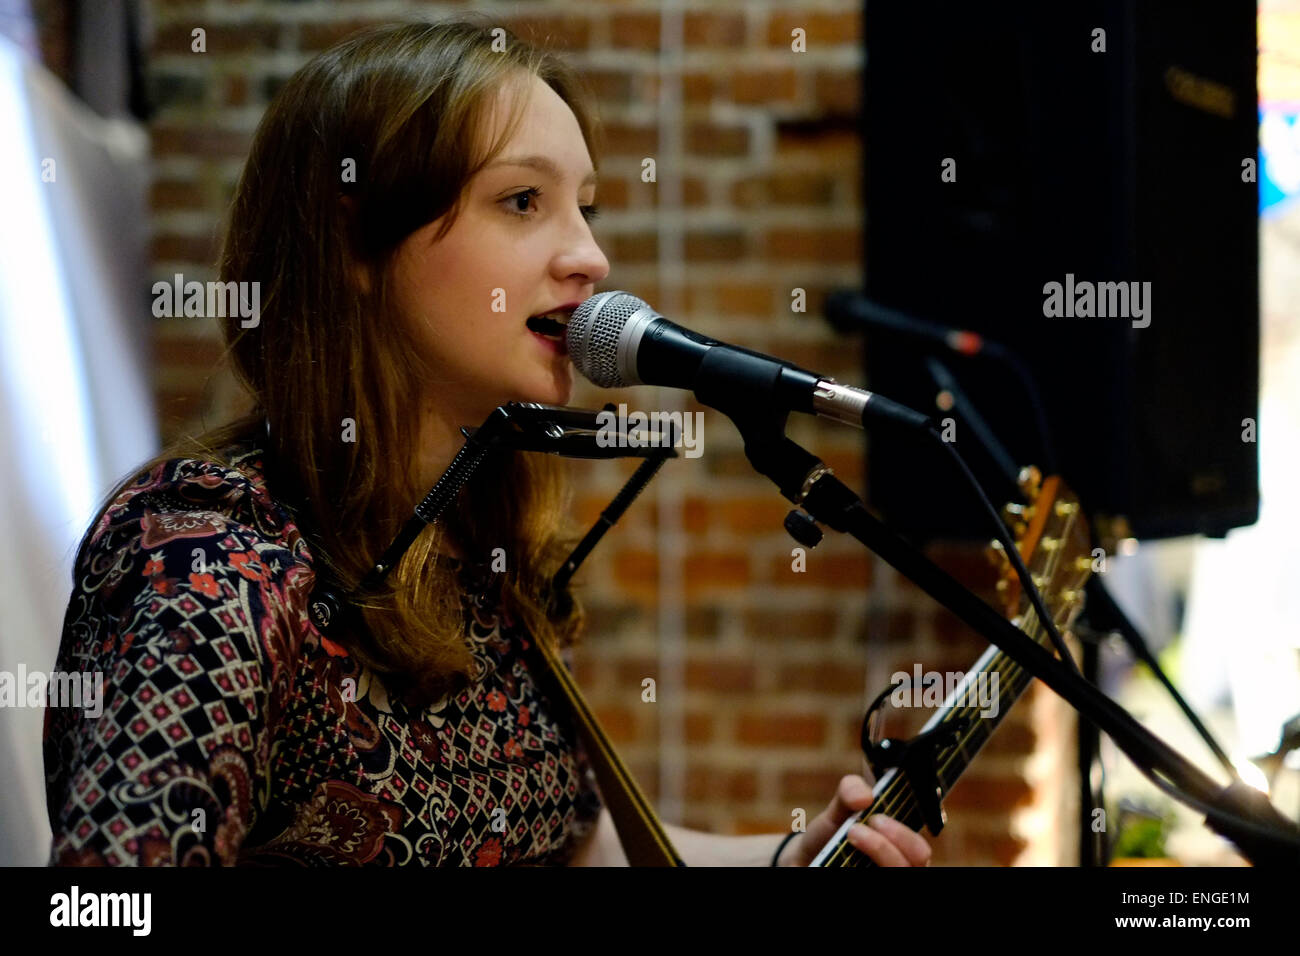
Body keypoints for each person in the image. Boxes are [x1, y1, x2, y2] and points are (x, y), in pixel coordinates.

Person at [44, 18, 930, 867]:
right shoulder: (210, 564)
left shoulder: (478, 552)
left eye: (583, 208)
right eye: (522, 201)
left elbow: (567, 843)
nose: (590, 257)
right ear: (354, 240)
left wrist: (785, 857)